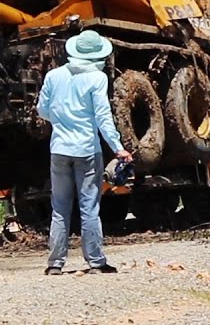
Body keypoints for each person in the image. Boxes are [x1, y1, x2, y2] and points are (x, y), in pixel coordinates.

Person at [36, 29, 133, 276]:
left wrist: (61, 121)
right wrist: (118, 148)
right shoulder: (97, 78)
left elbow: (42, 110)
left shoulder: (53, 76)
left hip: (58, 149)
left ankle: (55, 263)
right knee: (89, 206)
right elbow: (102, 116)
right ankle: (96, 261)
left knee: (59, 207)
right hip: (87, 150)